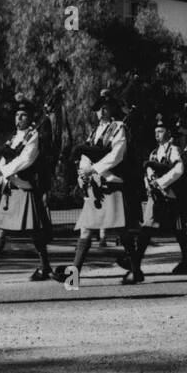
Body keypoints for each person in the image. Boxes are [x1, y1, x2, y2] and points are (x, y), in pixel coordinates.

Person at [0, 93, 53, 283]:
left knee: (35, 232)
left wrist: (2, 172)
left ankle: (45, 266)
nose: (19, 118)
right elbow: (4, 159)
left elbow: (25, 160)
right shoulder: (14, 138)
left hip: (24, 187)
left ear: (30, 117)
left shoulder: (34, 136)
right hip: (10, 188)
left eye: (23, 115)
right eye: (17, 115)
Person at [55, 89, 129, 285]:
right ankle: (73, 276)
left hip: (110, 183)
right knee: (86, 230)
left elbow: (117, 155)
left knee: (122, 231)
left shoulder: (119, 127)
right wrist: (83, 172)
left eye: (105, 108)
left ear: (111, 109)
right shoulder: (95, 131)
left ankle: (136, 270)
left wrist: (93, 170)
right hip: (93, 185)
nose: (101, 112)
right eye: (98, 109)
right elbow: (86, 154)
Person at [129, 115, 187, 277]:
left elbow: (178, 170)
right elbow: (149, 171)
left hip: (172, 196)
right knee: (146, 228)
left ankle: (186, 261)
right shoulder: (154, 152)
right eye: (156, 131)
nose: (157, 134)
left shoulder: (174, 150)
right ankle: (135, 263)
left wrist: (161, 183)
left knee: (179, 230)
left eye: (160, 131)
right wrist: (149, 183)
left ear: (168, 133)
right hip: (156, 197)